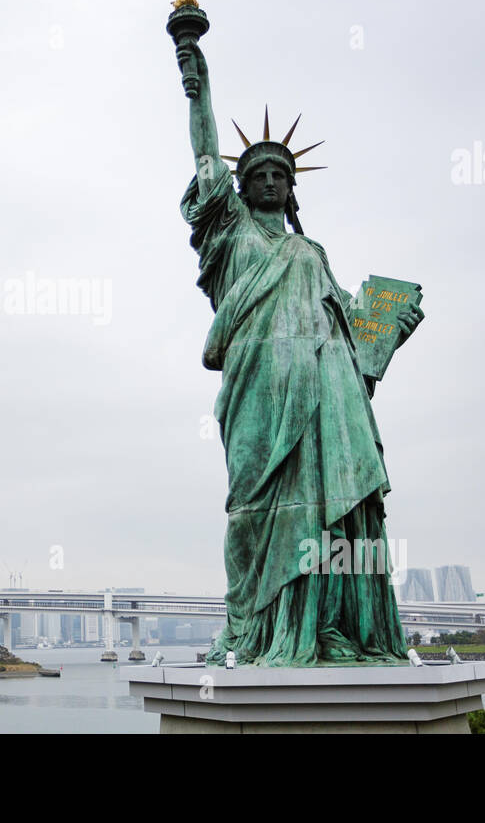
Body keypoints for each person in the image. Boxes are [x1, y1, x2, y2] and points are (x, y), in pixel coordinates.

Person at [175, 37, 423, 666]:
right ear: (240, 188)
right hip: (259, 390)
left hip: (327, 398)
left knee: (333, 512)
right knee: (253, 512)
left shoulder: (310, 254)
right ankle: (258, 630)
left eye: (278, 176)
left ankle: (331, 626)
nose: (267, 181)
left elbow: (352, 330)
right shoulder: (230, 235)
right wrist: (195, 76)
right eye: (255, 174)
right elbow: (206, 157)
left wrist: (391, 323)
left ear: (290, 191)